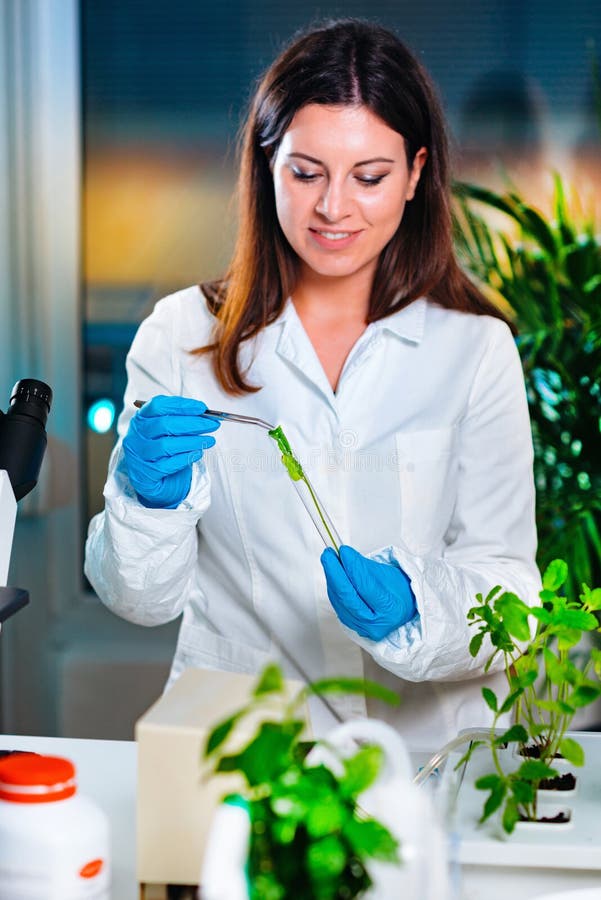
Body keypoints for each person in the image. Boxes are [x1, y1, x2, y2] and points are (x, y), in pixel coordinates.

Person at [85, 19, 541, 749]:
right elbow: (139, 601)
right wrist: (146, 502)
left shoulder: (475, 349)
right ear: (266, 165)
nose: (334, 207)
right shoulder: (180, 336)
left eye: (369, 176)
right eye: (306, 172)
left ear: (417, 174)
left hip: (427, 760)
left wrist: (416, 609)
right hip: (244, 750)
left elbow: (509, 593)